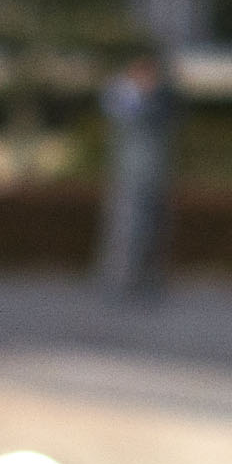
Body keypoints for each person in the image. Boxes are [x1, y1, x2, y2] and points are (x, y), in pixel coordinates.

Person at [94, 47, 184, 296]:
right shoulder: (123, 96)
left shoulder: (163, 98)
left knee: (154, 231)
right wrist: (144, 95)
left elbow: (174, 115)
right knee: (125, 229)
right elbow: (127, 116)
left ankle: (147, 279)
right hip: (128, 176)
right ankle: (118, 280)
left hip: (156, 176)